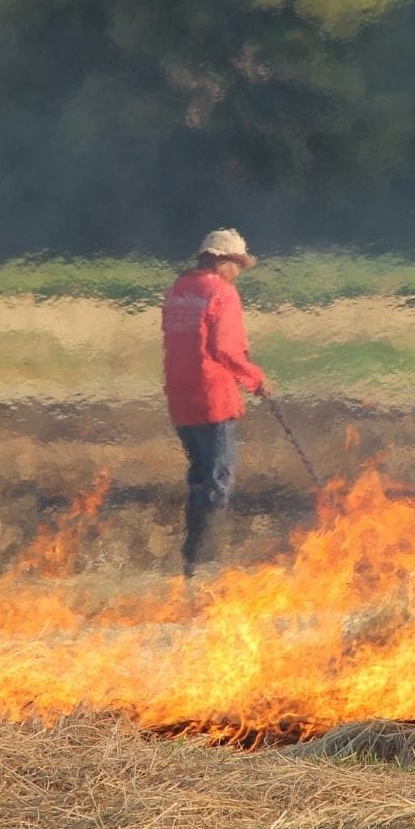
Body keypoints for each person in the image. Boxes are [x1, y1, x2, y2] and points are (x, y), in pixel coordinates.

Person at [162, 228, 274, 577]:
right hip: (213, 398)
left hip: (181, 398)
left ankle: (192, 557)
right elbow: (225, 349)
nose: (238, 272)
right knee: (218, 479)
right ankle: (204, 562)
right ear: (222, 260)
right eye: (237, 264)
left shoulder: (178, 291)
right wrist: (256, 379)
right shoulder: (222, 293)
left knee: (199, 475)